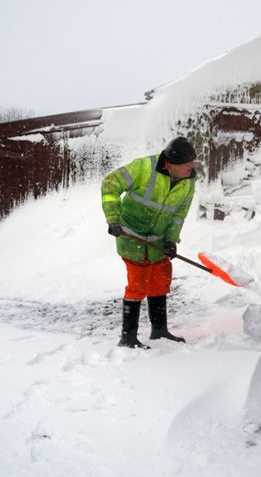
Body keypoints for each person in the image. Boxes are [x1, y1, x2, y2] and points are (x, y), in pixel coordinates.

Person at [101, 137, 197, 348]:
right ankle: (128, 337)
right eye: (187, 164)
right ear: (171, 163)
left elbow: (179, 214)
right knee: (138, 283)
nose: (192, 167)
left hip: (158, 241)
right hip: (131, 236)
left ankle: (159, 330)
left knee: (160, 280)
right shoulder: (144, 168)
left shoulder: (189, 181)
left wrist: (171, 239)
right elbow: (110, 184)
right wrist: (113, 219)